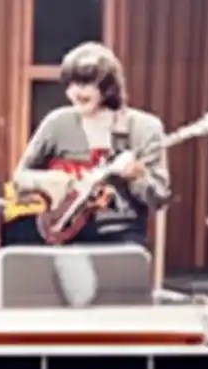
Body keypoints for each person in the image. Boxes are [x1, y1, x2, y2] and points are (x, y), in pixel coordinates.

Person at [13, 42, 170, 247]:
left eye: (85, 84)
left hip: (121, 237)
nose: (75, 93)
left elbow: (158, 198)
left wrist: (137, 178)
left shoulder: (144, 127)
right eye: (71, 84)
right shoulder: (57, 122)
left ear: (108, 86)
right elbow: (20, 178)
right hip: (64, 234)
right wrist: (55, 182)